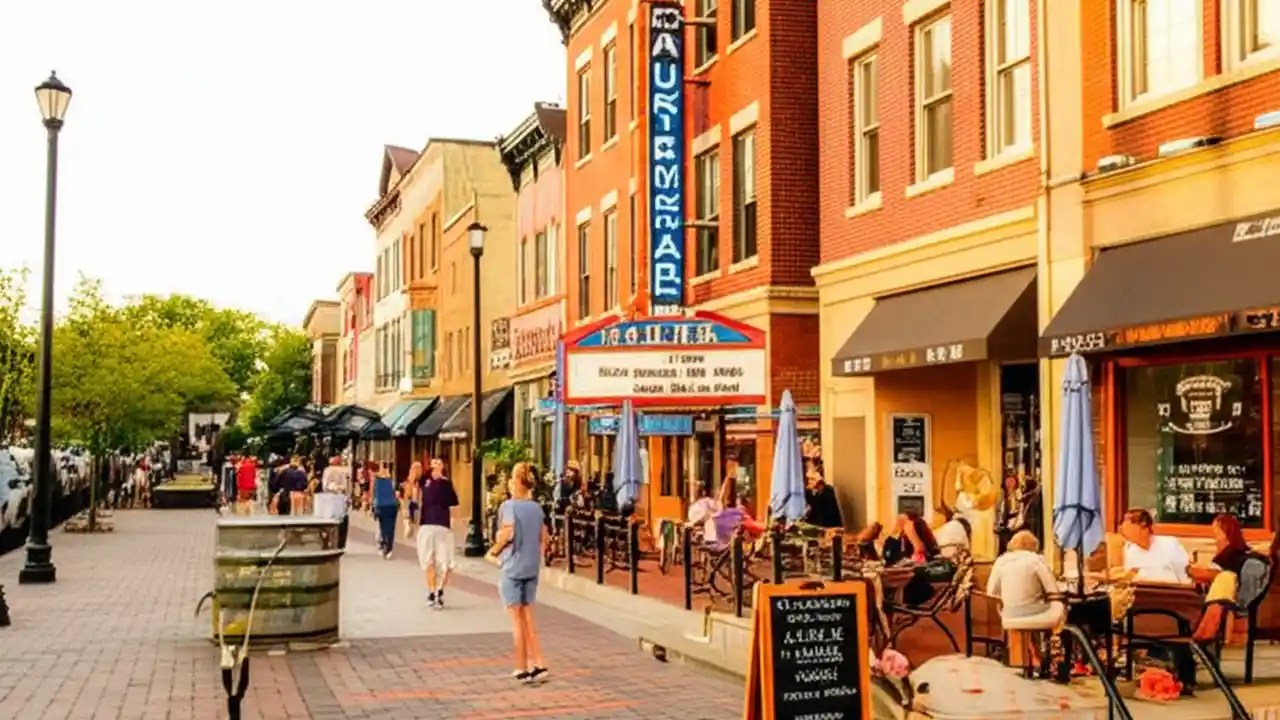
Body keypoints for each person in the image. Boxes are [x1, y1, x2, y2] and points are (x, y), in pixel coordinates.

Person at [486, 462, 549, 684]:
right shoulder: (536, 508)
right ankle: (539, 663)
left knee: (516, 620)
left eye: (512, 478)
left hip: (513, 567)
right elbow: (544, 538)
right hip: (531, 567)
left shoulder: (509, 506)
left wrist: (493, 551)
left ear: (517, 482)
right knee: (529, 619)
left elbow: (508, 533)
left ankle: (521, 666)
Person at [987, 530, 1064, 671]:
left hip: (1008, 615)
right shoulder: (1036, 560)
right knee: (1055, 608)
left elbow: (991, 592)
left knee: (1031, 611)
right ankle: (1055, 655)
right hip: (1035, 613)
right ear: (1033, 546)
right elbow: (1053, 589)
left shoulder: (1000, 561)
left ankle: (1032, 656)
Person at [415, 458, 460, 609]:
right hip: (426, 525)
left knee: (443, 562)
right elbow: (414, 488)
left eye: (439, 464)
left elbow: (454, 503)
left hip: (443, 526)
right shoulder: (424, 482)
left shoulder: (447, 484)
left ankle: (439, 591)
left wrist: (454, 523)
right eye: (434, 464)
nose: (437, 467)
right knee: (428, 561)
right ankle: (431, 590)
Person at [1120, 508, 1190, 584]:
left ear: (1142, 524)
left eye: (1127, 522)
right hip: (1142, 592)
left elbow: (1184, 577)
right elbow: (1129, 580)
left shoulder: (1170, 544)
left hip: (1170, 591)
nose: (1122, 527)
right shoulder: (1129, 549)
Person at [319, 456, 351, 547]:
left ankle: (327, 540)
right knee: (342, 521)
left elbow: (325, 486)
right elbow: (347, 486)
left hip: (331, 500)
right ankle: (340, 543)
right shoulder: (345, 471)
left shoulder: (328, 470)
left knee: (328, 521)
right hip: (342, 499)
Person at [370, 461, 398, 559]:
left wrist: (371, 506)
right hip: (391, 505)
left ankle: (383, 546)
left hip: (381, 505)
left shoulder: (375, 479)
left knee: (382, 527)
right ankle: (388, 548)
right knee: (390, 528)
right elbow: (394, 492)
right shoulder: (390, 479)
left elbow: (372, 493)